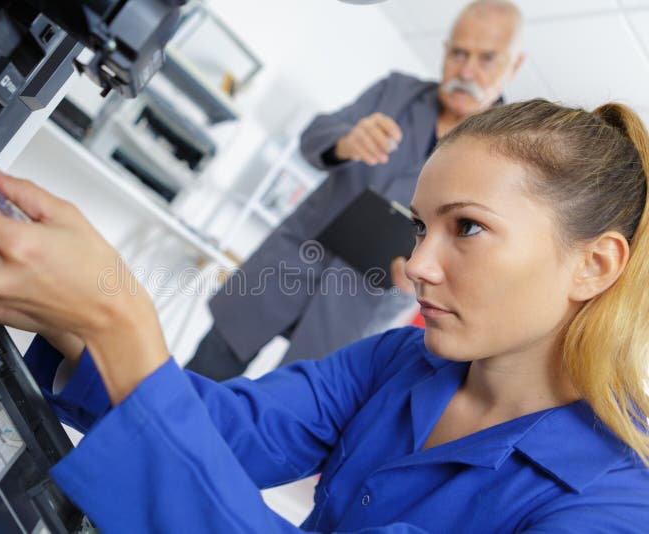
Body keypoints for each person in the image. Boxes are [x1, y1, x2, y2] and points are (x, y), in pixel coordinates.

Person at [0, 97, 649, 532]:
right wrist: (56, 312)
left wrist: (120, 320)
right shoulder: (403, 364)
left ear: (595, 264)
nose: (416, 264)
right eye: (420, 226)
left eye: (467, 228)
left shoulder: (610, 508)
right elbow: (224, 432)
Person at [186, 0, 526, 380]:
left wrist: (431, 280)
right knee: (199, 378)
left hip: (361, 302)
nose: (466, 70)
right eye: (459, 53)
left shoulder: (506, 158)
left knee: (286, 413)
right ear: (445, 49)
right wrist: (343, 142)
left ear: (514, 65)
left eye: (486, 59)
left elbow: (480, 254)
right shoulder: (396, 92)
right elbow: (313, 136)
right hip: (289, 266)